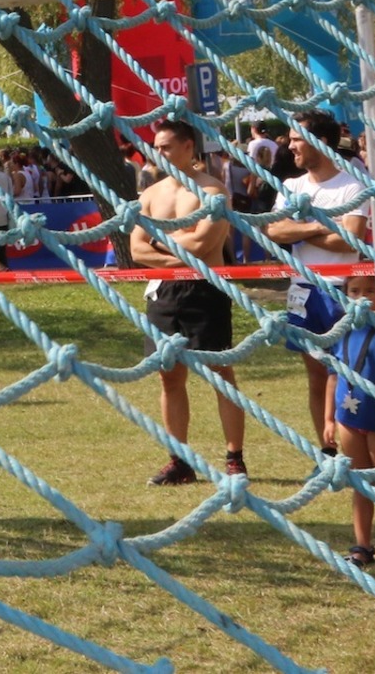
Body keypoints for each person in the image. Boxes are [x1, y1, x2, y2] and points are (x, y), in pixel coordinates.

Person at [129, 120, 246, 485]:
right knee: (169, 376)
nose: (157, 153)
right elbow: (136, 249)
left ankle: (234, 458)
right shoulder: (151, 194)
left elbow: (203, 248)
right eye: (155, 147)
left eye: (165, 147)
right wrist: (178, 247)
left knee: (220, 373)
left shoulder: (214, 191)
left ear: (187, 147)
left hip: (205, 289)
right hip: (163, 292)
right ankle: (179, 460)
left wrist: (160, 239)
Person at [260, 109, 369, 454]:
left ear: (320, 141)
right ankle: (326, 451)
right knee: (316, 376)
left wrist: (302, 231)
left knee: (348, 375)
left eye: (296, 139)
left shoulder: (353, 184)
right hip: (303, 291)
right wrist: (321, 226)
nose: (290, 146)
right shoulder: (291, 186)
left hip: (342, 290)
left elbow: (349, 241)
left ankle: (356, 450)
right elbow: (274, 230)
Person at [331, 272, 375, 567]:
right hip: (346, 416)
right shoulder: (341, 329)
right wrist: (329, 419)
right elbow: (332, 374)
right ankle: (362, 546)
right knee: (360, 482)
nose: (362, 297)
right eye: (354, 291)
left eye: (370, 290)